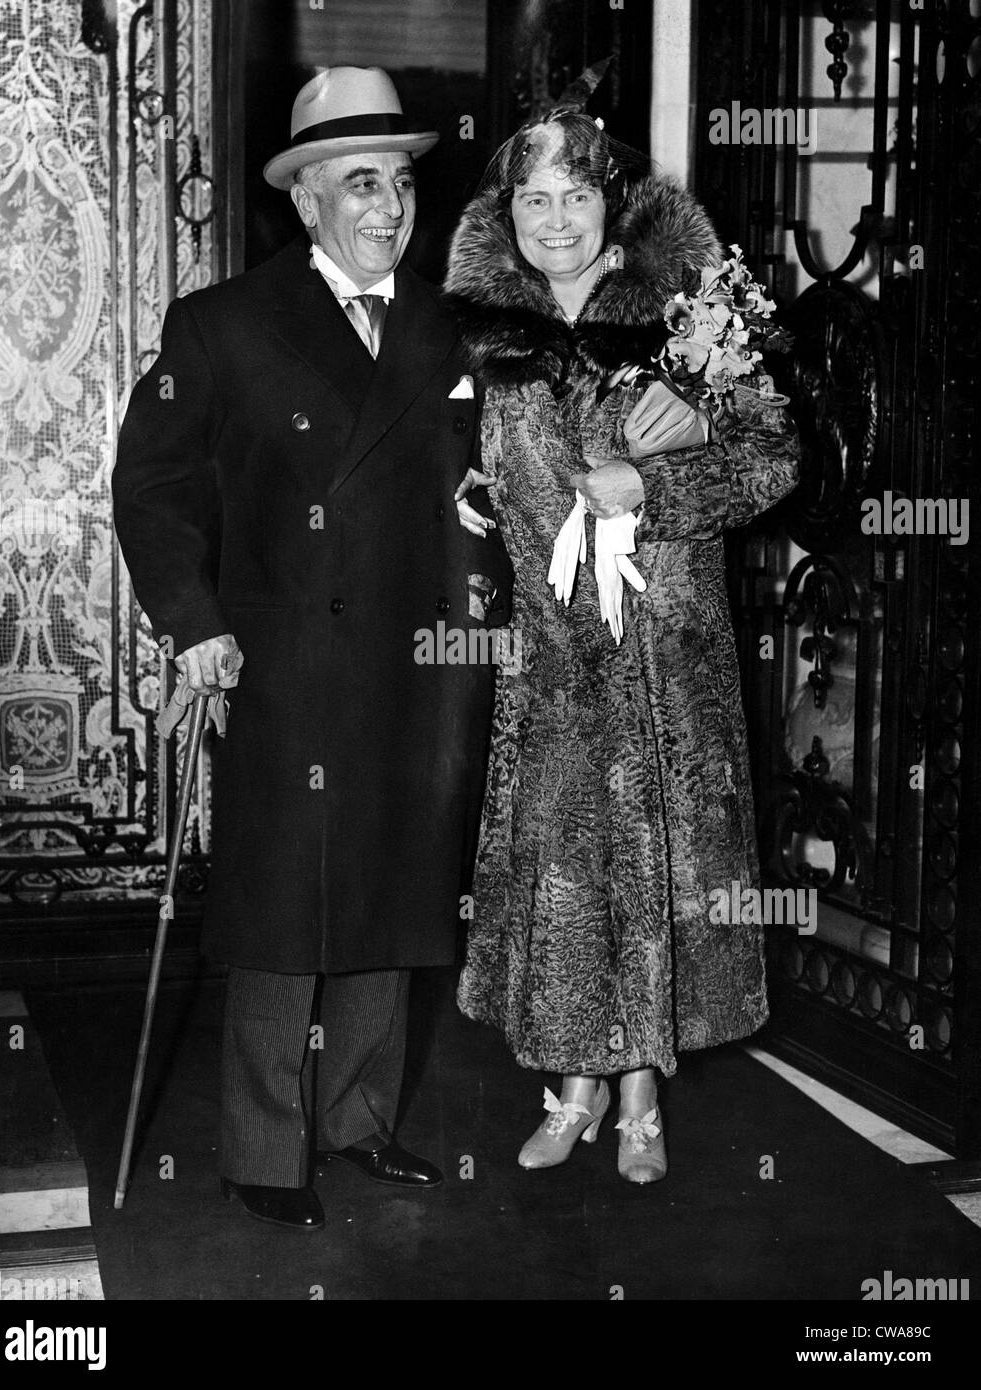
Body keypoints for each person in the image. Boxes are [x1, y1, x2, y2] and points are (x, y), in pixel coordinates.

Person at [112, 67, 510, 1229]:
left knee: (396, 887)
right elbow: (153, 488)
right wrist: (195, 623)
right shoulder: (224, 324)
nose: (387, 206)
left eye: (398, 182)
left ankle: (356, 1120)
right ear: (305, 199)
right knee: (285, 905)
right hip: (282, 663)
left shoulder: (452, 325)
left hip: (423, 663)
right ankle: (262, 1146)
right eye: (358, 183)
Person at [444, 102, 800, 1183]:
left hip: (664, 653)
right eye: (535, 198)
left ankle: (638, 1096)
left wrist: (652, 479)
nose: (557, 219)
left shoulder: (693, 317)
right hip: (553, 665)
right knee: (564, 876)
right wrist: (480, 482)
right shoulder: (488, 328)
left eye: (579, 195)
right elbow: (497, 457)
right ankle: (574, 1083)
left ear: (617, 201)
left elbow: (774, 457)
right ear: (508, 213)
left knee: (655, 872)